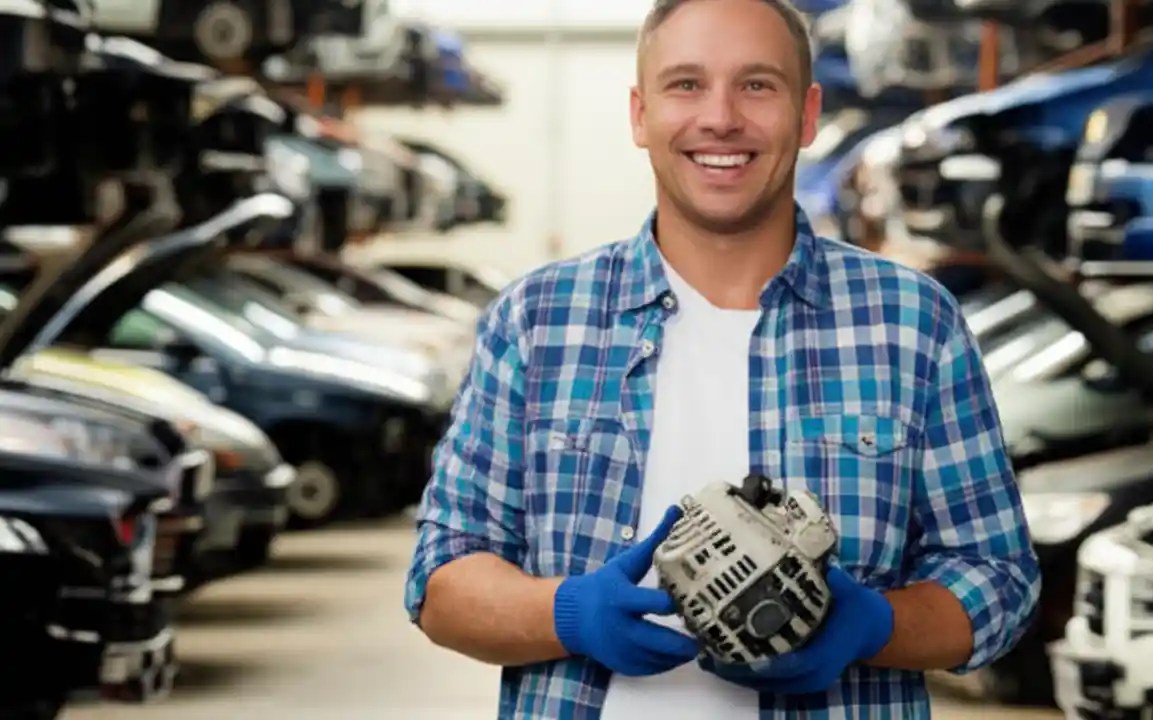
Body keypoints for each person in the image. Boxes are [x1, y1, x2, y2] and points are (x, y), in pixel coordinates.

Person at [403, 0, 1042, 717]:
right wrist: (567, 612)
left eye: (757, 85)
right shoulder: (536, 323)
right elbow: (440, 581)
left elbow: (1000, 580)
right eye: (686, 85)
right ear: (640, 115)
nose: (721, 118)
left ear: (806, 114)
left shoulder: (913, 322)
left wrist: (877, 627)